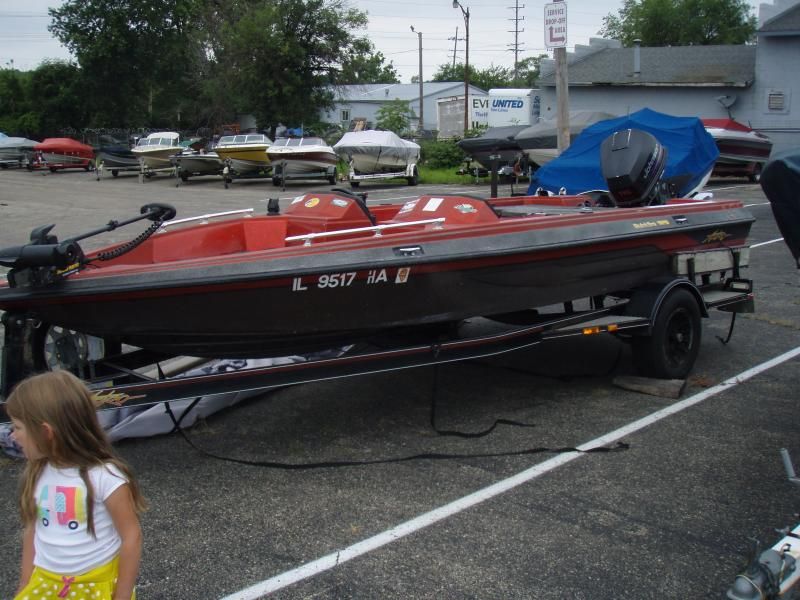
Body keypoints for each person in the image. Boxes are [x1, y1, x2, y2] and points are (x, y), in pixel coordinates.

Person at [7, 370, 147, 600]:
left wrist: (121, 594)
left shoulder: (105, 477)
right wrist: (25, 582)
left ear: (45, 432)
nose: (13, 436)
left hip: (95, 586)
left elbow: (131, 536)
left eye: (18, 427)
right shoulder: (37, 472)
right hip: (46, 584)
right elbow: (33, 529)